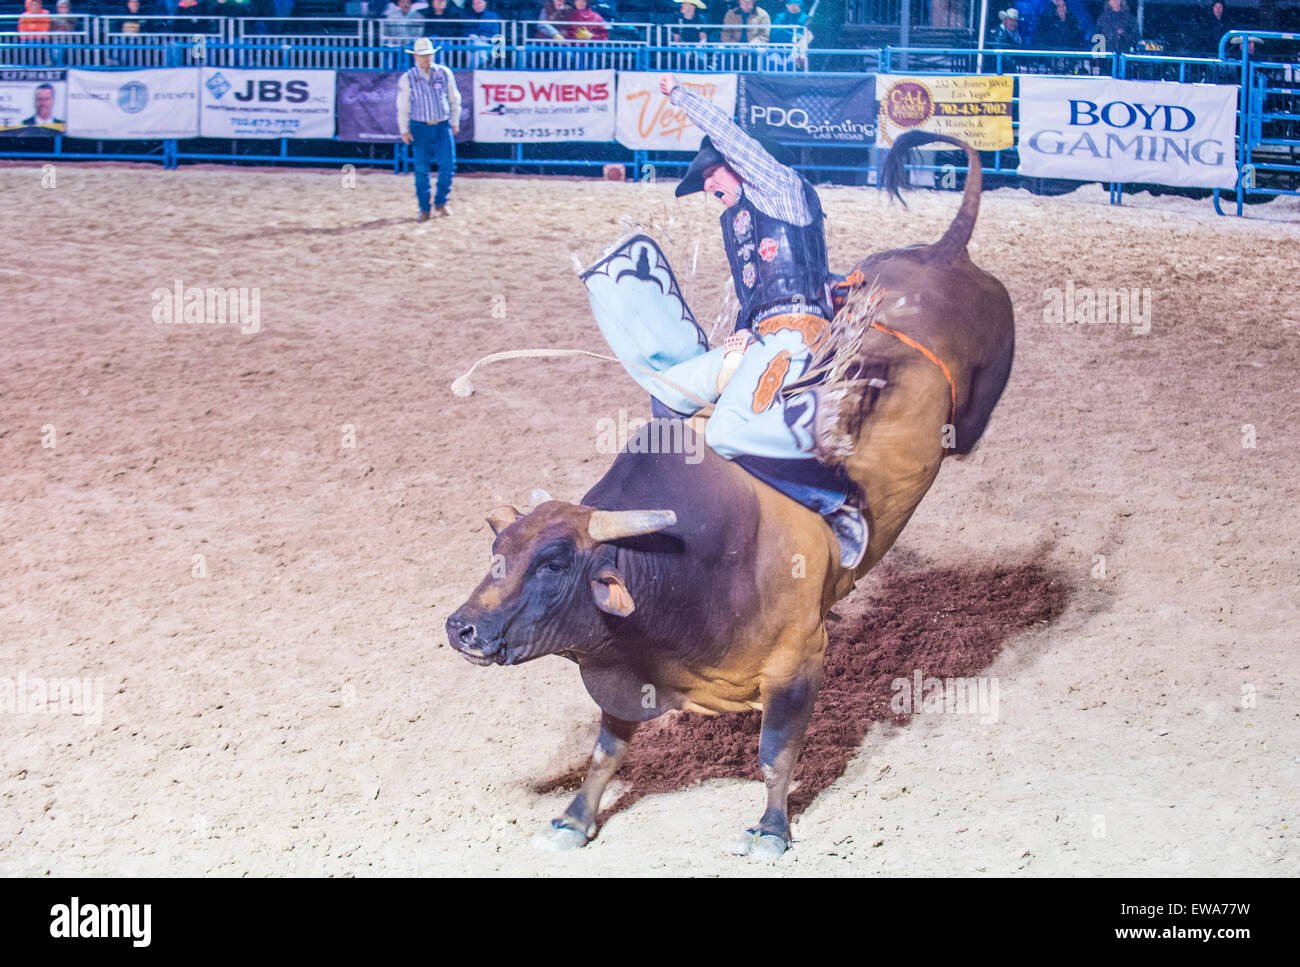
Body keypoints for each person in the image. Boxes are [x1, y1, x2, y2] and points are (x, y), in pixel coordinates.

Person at [590, 72, 869, 567]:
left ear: (738, 162)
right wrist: (740, 333)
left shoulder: (779, 188)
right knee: (668, 389)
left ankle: (836, 498)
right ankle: (704, 501)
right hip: (761, 339)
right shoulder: (739, 221)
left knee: (724, 431)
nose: (707, 184)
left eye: (712, 172)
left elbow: (730, 135)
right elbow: (762, 289)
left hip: (796, 334)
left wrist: (679, 96)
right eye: (704, 179)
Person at [397, 36, 460, 221]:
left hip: (442, 124)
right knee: (421, 168)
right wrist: (404, 129)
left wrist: (454, 121)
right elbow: (403, 105)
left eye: (429, 55)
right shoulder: (408, 78)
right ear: (415, 57)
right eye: (422, 55)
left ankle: (441, 201)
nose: (426, 59)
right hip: (419, 126)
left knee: (448, 164)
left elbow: (454, 98)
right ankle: (424, 207)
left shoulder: (444, 73)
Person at [464, 0, 503, 68]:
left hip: (488, 43)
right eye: (475, 4)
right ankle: (484, 62)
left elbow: (495, 32)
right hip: (472, 41)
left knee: (477, 45)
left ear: (485, 3)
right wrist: (479, 36)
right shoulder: (468, 16)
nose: (477, 5)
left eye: (479, 3)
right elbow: (466, 31)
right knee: (474, 40)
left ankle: (475, 67)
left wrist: (486, 37)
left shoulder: (492, 16)